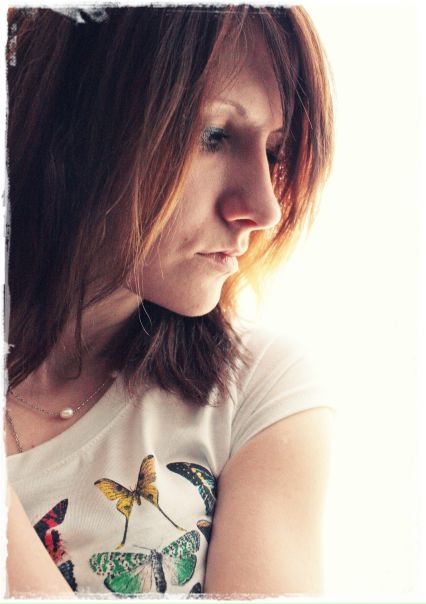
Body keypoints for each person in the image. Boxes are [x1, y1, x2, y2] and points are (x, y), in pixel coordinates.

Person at [5, 4, 334, 598]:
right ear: (76, 117)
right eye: (214, 136)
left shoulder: (255, 392)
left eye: (274, 152)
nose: (263, 208)